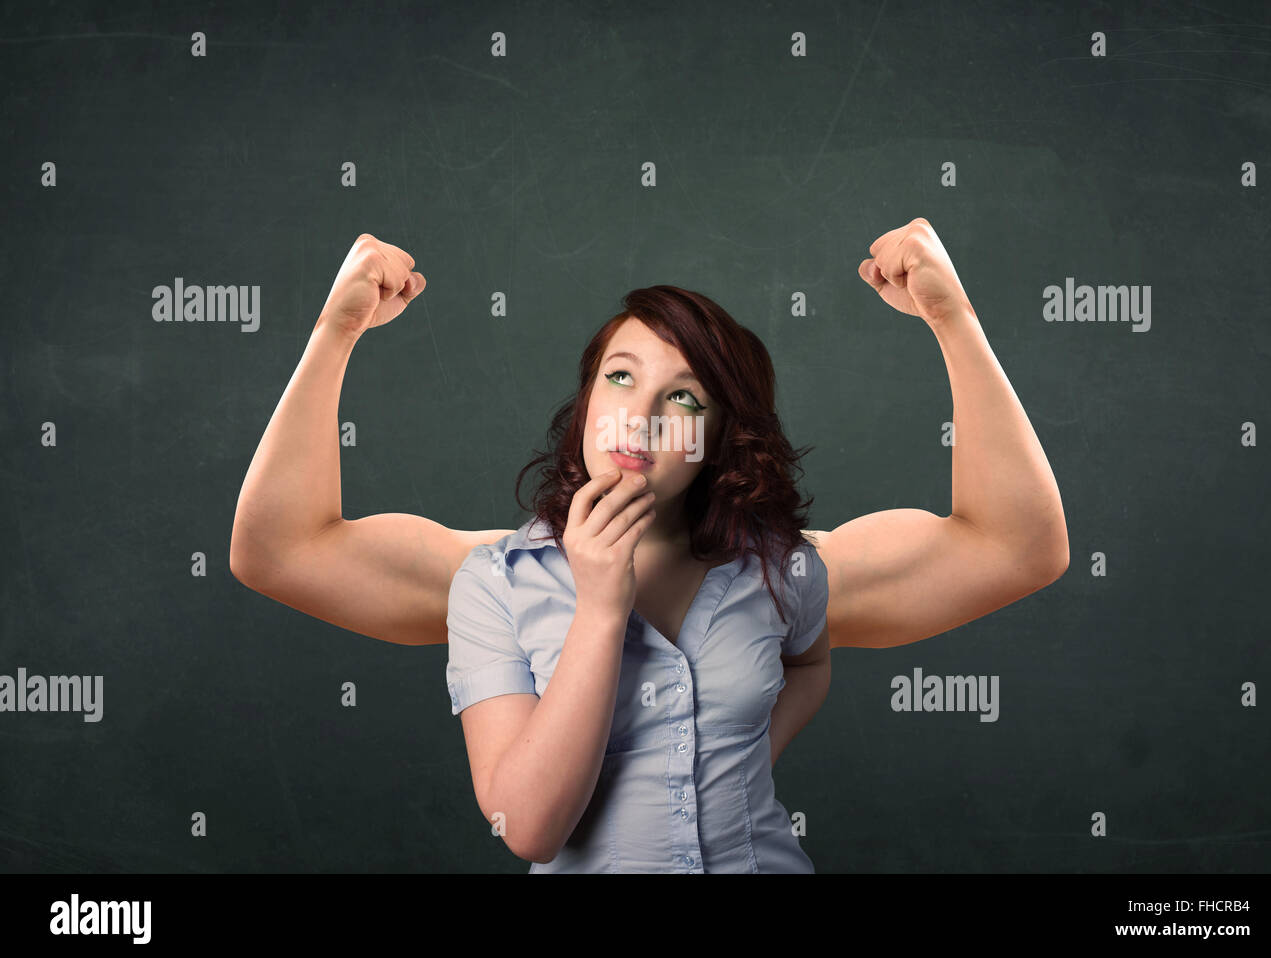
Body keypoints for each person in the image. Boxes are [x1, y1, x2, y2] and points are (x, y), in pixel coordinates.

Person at [230, 223, 1070, 872]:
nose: (640, 414)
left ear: (724, 438)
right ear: (588, 401)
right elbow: (277, 549)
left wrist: (952, 319)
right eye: (621, 377)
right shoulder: (495, 580)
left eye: (684, 398)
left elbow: (1018, 547)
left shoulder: (789, 570)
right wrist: (336, 331)